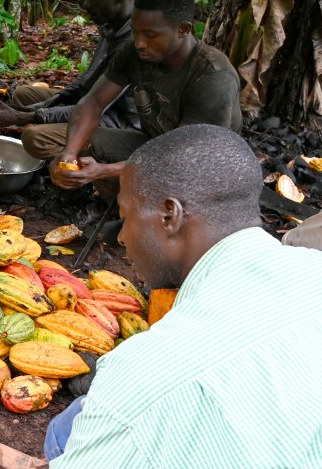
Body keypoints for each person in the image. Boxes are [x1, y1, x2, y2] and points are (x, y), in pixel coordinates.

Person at [39, 124, 322, 467]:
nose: (123, 238)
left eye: (125, 217)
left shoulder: (142, 371)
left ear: (169, 216)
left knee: (64, 434)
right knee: (72, 419)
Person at [49, 0, 242, 196]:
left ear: (183, 30)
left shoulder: (213, 76)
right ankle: (121, 202)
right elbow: (93, 102)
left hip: (200, 170)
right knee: (86, 141)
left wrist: (103, 171)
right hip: (154, 146)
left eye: (150, 35)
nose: (139, 43)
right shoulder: (134, 51)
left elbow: (184, 157)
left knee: (166, 186)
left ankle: (138, 208)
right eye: (135, 32)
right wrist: (69, 153)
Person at [0, 0, 141, 159]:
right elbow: (86, 82)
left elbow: (95, 107)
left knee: (34, 138)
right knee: (23, 95)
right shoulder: (111, 27)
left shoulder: (136, 41)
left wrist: (28, 117)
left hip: (115, 120)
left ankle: (89, 160)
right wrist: (37, 107)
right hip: (90, 102)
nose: (86, 6)